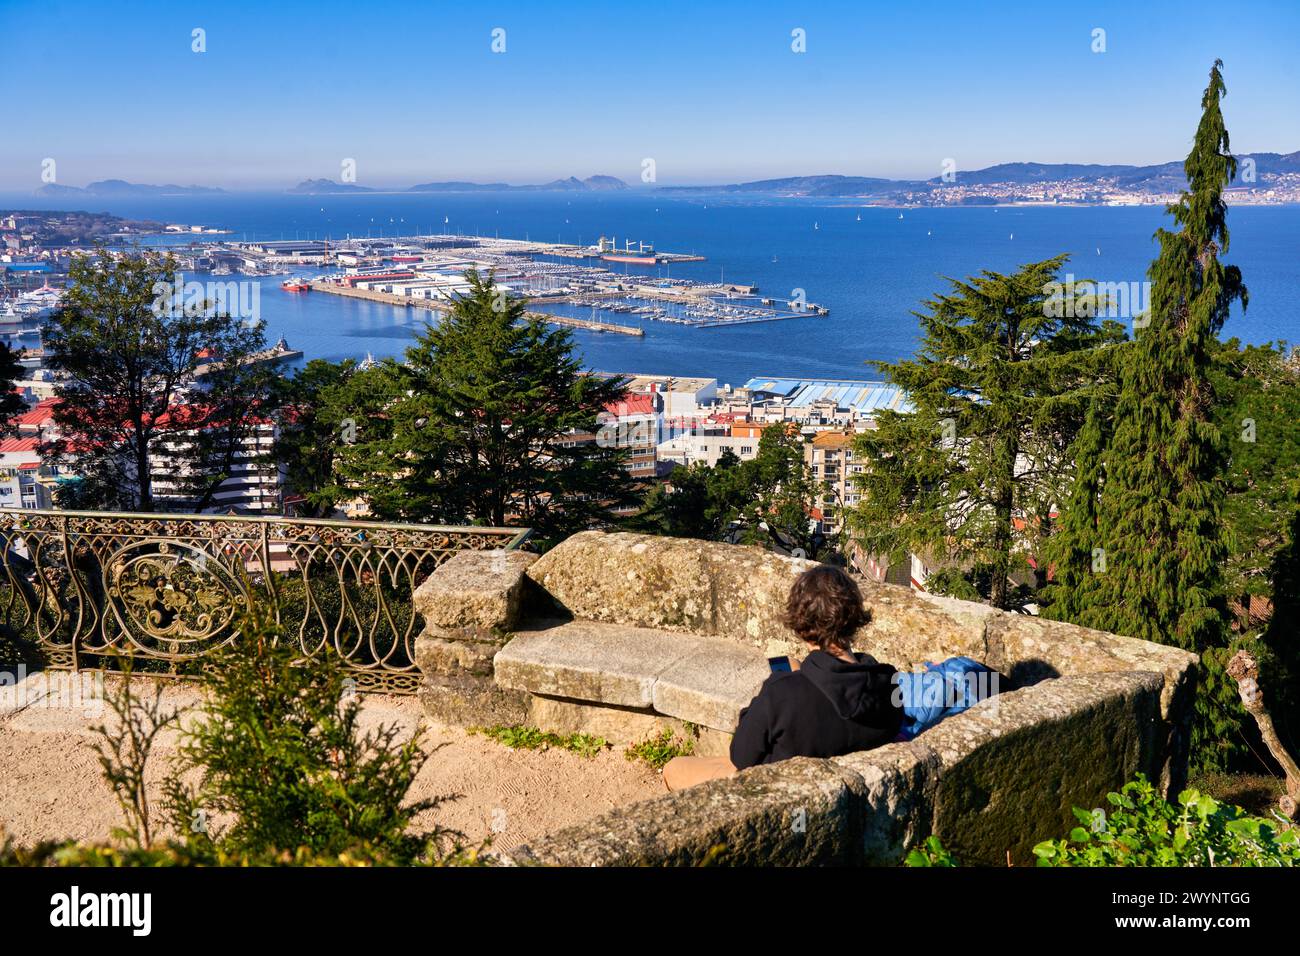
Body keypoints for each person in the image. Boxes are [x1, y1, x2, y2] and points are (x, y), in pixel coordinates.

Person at [662, 565, 902, 791]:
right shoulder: (888, 682)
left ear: (800, 625)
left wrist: (770, 696)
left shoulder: (782, 693)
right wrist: (802, 679)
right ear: (855, 619)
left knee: (674, 769)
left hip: (781, 797)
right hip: (846, 796)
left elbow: (741, 756)